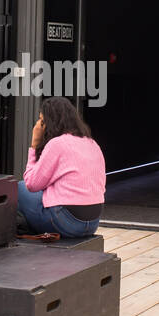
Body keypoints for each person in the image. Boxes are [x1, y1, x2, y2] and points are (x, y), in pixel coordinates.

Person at [19, 96, 106, 237]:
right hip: (93, 223)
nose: (38, 124)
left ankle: (23, 235)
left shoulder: (57, 144)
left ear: (50, 122)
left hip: (67, 223)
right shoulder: (92, 143)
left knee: (20, 188)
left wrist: (34, 145)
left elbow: (32, 184)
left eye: (42, 120)